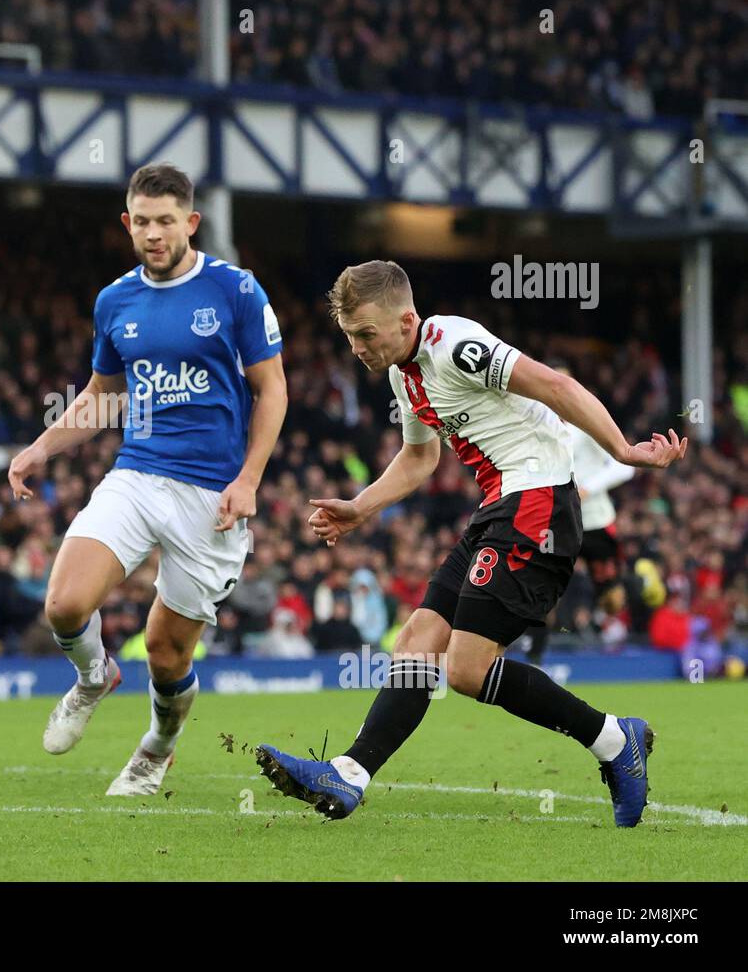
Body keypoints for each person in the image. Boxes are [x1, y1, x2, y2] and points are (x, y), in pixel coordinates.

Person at [255, 260, 685, 828]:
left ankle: (612, 739)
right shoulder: (402, 375)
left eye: (365, 333)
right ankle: (350, 773)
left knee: (465, 668)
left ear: (407, 320)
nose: (356, 347)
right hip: (499, 508)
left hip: (538, 500)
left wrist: (622, 450)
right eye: (349, 335)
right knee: (418, 639)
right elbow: (419, 457)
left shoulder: (454, 343)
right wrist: (362, 507)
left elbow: (555, 386)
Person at [7, 163, 288, 795]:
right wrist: (40, 449)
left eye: (167, 221)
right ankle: (93, 675)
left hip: (212, 496)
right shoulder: (115, 300)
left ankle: (158, 746)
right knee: (65, 604)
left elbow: (272, 391)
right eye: (142, 221)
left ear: (190, 223)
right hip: (138, 473)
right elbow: (104, 397)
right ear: (127, 224)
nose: (154, 233)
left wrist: (249, 480)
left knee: (166, 654)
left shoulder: (236, 290)